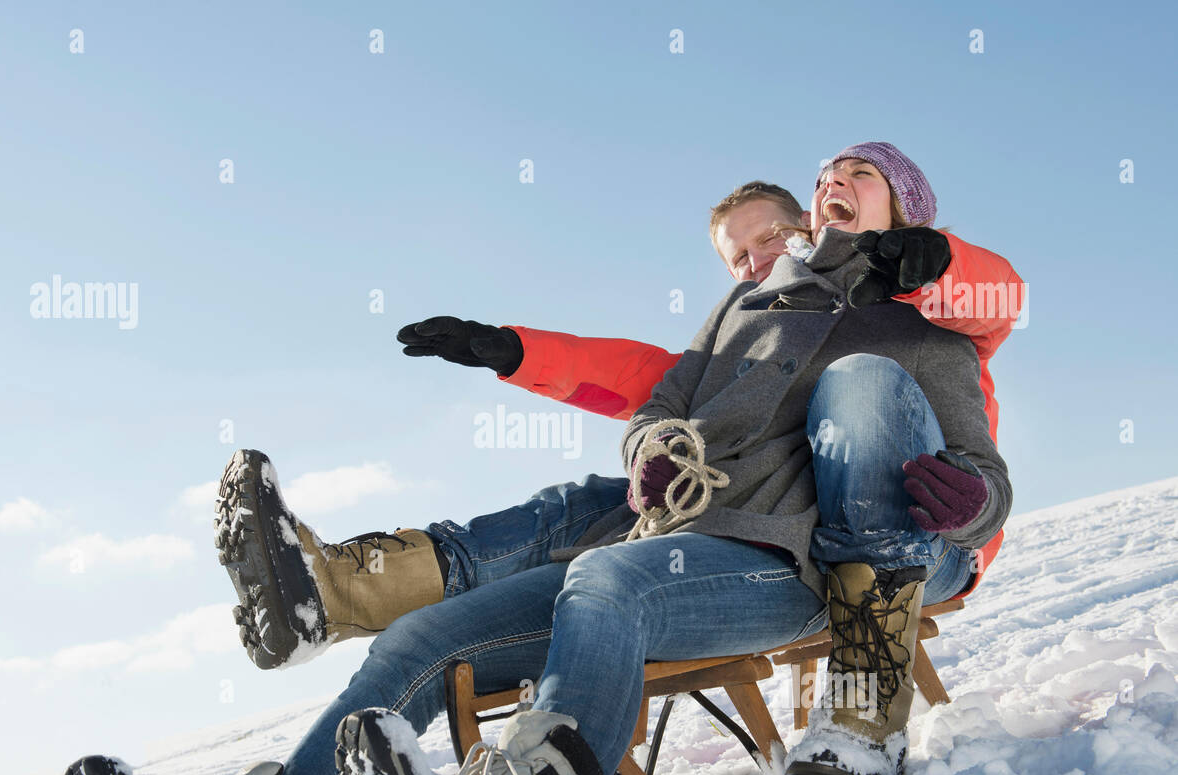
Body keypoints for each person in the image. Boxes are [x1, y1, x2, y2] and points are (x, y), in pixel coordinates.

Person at [60, 143, 1013, 775]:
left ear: (903, 205)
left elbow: (980, 468)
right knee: (422, 640)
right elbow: (653, 398)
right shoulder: (741, 314)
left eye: (860, 171)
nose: (833, 179)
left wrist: (970, 499)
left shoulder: (927, 326)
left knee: (606, 577)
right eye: (825, 170)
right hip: (665, 543)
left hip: (789, 565)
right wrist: (645, 451)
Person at [220, 169, 1022, 672]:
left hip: (883, 529)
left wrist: (936, 256)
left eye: (771, 236)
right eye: (735, 256)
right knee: (573, 506)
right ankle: (332, 593)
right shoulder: (757, 318)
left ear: (813, 228)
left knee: (610, 528)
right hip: (742, 502)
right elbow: (638, 377)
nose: (752, 260)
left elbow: (997, 297)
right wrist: (509, 348)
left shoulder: (927, 314)